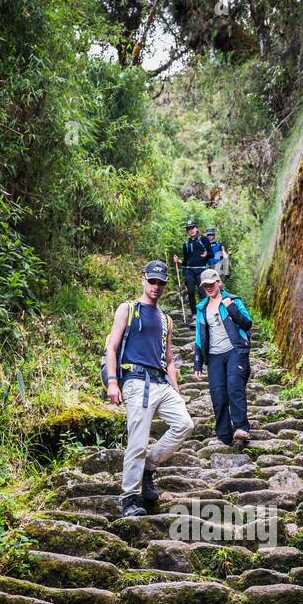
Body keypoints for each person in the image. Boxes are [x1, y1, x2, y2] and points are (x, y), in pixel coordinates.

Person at [104, 261, 194, 517]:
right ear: (142, 279)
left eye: (161, 283)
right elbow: (112, 346)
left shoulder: (166, 319)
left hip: (161, 382)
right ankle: (130, 498)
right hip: (136, 381)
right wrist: (113, 381)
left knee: (185, 424)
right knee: (138, 442)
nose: (156, 286)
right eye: (152, 281)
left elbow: (169, 360)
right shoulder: (128, 309)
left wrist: (176, 390)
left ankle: (148, 467)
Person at [193, 268, 253, 446]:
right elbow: (199, 335)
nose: (209, 288)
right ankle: (224, 435)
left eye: (211, 284)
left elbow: (247, 323)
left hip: (235, 350)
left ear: (218, 282)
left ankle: (242, 428)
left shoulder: (233, 300)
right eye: (205, 286)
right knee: (218, 395)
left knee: (234, 387)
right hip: (214, 356)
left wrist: (230, 307)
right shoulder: (202, 307)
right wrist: (197, 362)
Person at [175, 219, 212, 318]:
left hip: (201, 270)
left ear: (196, 229)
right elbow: (186, 261)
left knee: (202, 292)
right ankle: (194, 314)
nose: (191, 230)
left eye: (192, 228)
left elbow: (211, 253)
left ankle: (203, 312)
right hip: (189, 270)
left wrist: (206, 254)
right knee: (190, 292)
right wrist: (178, 261)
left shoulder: (204, 240)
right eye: (189, 229)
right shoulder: (186, 244)